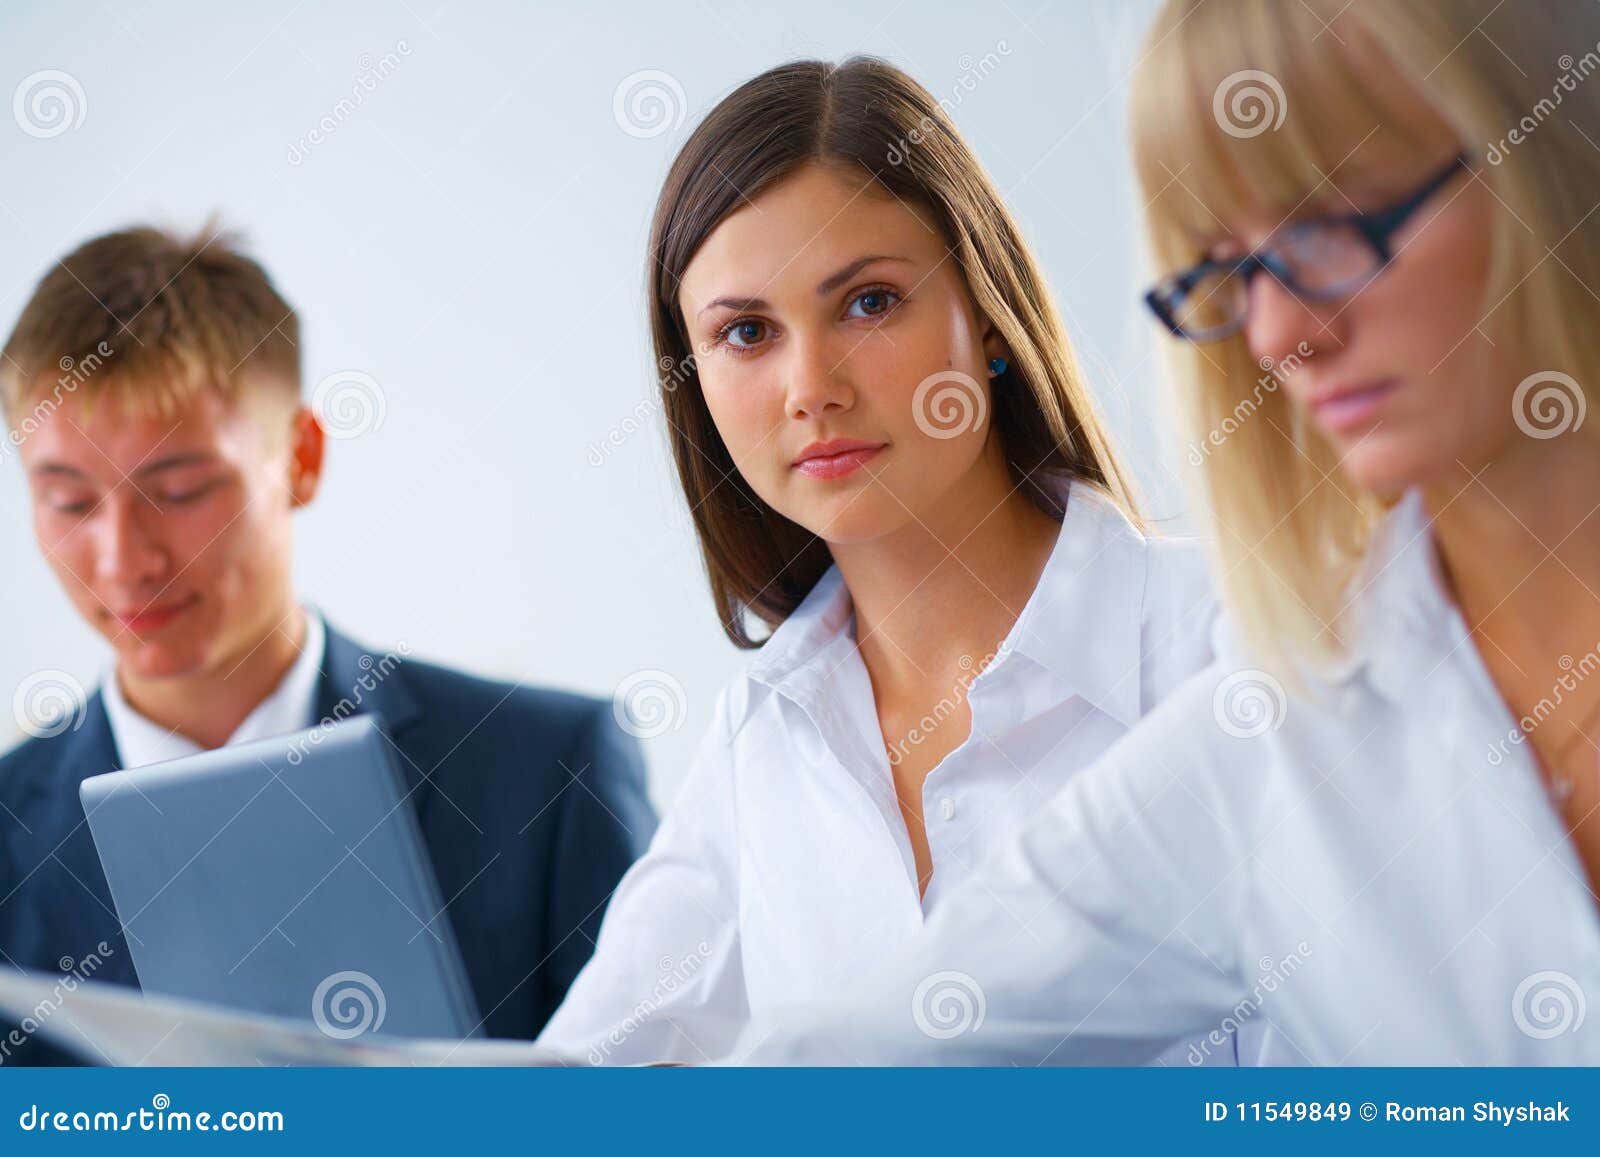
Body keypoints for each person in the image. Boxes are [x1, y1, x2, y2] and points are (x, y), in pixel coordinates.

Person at [732, 0, 1600, 1065]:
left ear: (1559, 157)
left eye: (1335, 223)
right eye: (1233, 268)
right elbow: (866, 1051)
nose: (1283, 334)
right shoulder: (1285, 719)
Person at [537, 57, 1238, 1066]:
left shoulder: (1232, 652)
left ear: (986, 313)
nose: (809, 386)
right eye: (744, 332)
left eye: (868, 302)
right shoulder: (762, 739)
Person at [0, 224, 656, 1064]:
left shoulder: (547, 773)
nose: (125, 560)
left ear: (302, 457)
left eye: (180, 489)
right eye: (68, 501)